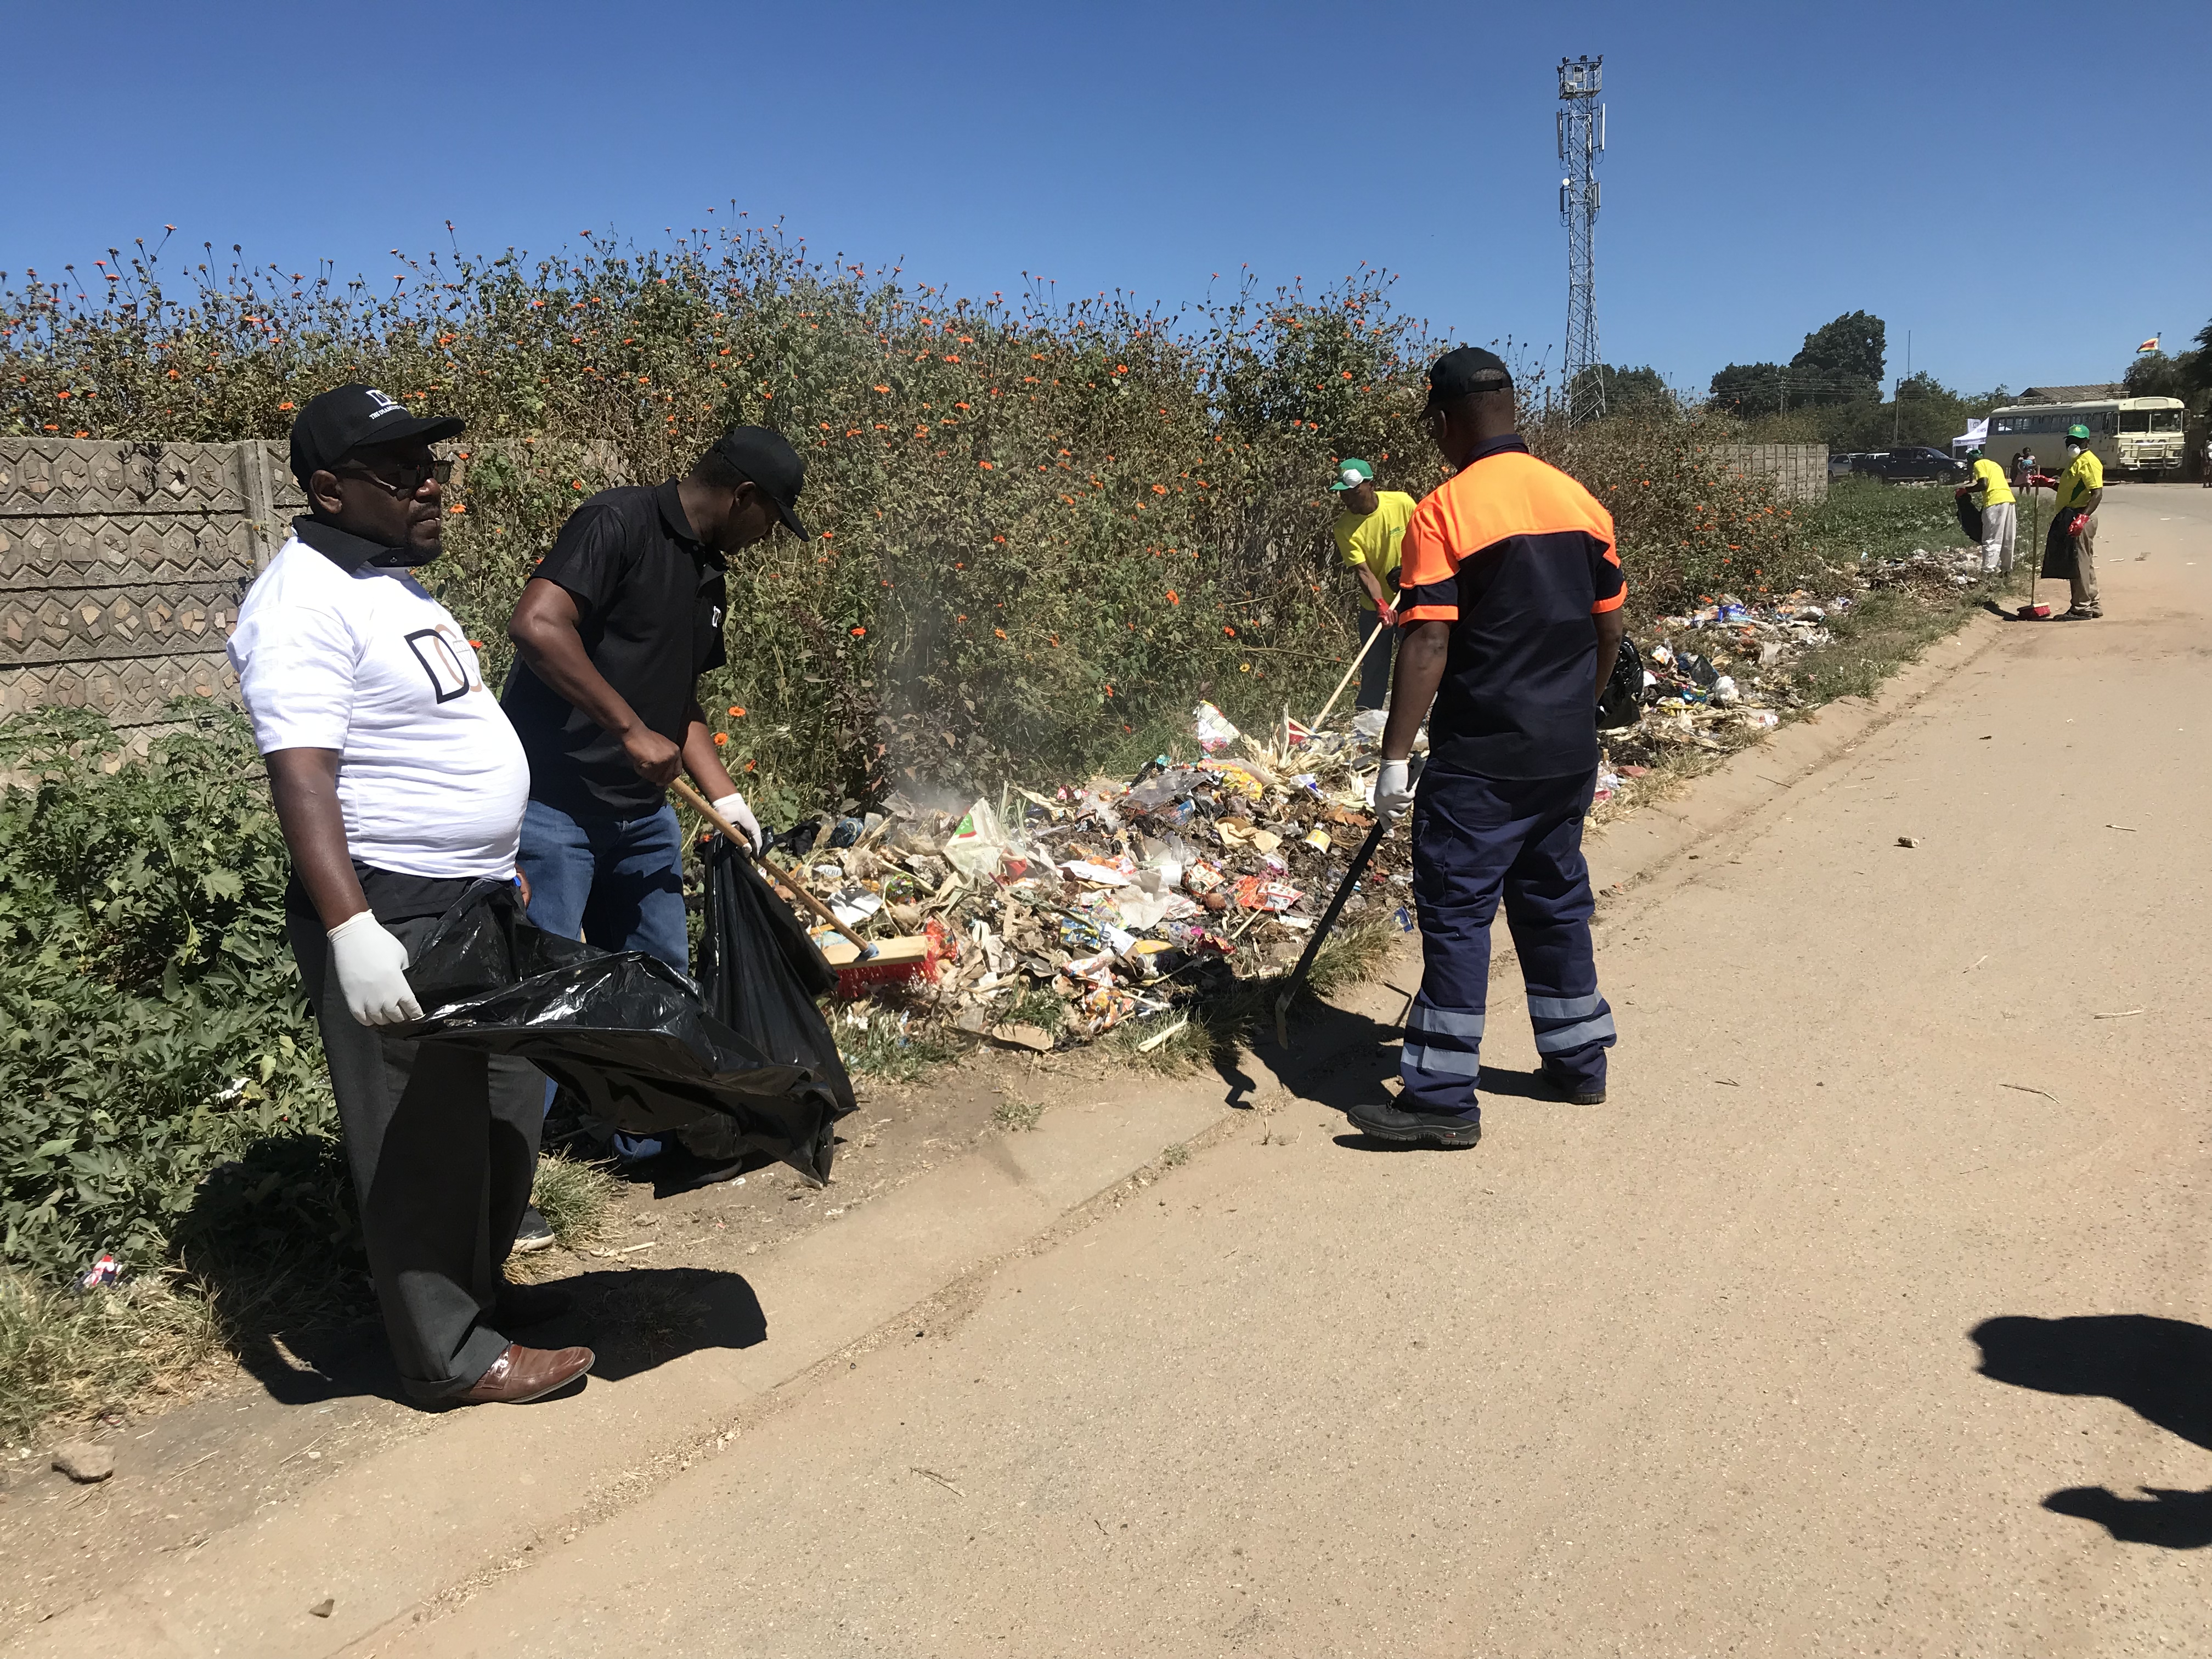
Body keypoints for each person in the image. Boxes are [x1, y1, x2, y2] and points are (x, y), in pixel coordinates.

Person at [227, 386, 593, 1406]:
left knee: (507, 1097)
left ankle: (477, 1292)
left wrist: (495, 854)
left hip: (473, 894)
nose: (432, 484)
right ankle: (447, 1352)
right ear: (331, 488)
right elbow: (301, 774)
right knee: (418, 1129)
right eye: (402, 472)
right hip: (391, 902)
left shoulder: (386, 583)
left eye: (433, 465)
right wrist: (351, 927)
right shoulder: (300, 600)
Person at [503, 427, 805, 1169]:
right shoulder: (618, 522)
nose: (766, 538)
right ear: (744, 497)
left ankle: (646, 1138)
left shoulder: (708, 575)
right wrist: (628, 727)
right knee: (546, 986)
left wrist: (725, 795)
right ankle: (509, 1181)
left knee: (658, 975)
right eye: (771, 520)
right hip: (554, 808)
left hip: (640, 815)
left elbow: (683, 700)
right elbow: (536, 623)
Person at [1350, 348, 1626, 1149]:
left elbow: (1427, 645)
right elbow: (1609, 628)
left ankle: (1439, 1099)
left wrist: (1394, 758)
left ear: (1443, 421)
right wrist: (1579, 709)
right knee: (1552, 902)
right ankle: (1580, 1065)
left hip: (1483, 762)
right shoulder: (1580, 502)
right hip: (1567, 755)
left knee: (1459, 911)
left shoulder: (1444, 511)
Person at [1328, 458, 1420, 712]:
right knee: (1374, 668)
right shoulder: (1344, 528)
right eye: (1343, 494)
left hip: (1410, 598)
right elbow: (1364, 572)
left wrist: (1412, 571)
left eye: (1354, 492)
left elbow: (1424, 539)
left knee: (1412, 662)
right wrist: (1381, 605)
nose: (1348, 500)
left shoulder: (1402, 503)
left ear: (1370, 485)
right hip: (1375, 606)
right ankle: (1366, 722)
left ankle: (1413, 716)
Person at [2041, 422, 2104, 619]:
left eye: (2077, 441)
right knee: (2085, 562)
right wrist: (2049, 483)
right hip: (2072, 513)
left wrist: (2082, 518)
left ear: (2087, 441)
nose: (2072, 444)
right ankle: (2093, 603)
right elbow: (2071, 489)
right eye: (2070, 440)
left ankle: (2081, 608)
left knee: (2078, 562)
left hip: (2080, 515)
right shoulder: (2075, 461)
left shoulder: (2089, 462)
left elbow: (2097, 493)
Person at [1957, 446, 2016, 575]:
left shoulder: (1979, 464)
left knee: (1992, 538)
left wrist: (1966, 490)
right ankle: (2007, 570)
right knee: (2007, 538)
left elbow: (1983, 484)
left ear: (1971, 461)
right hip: (2009, 500)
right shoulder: (1995, 465)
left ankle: (1988, 572)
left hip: (1994, 501)